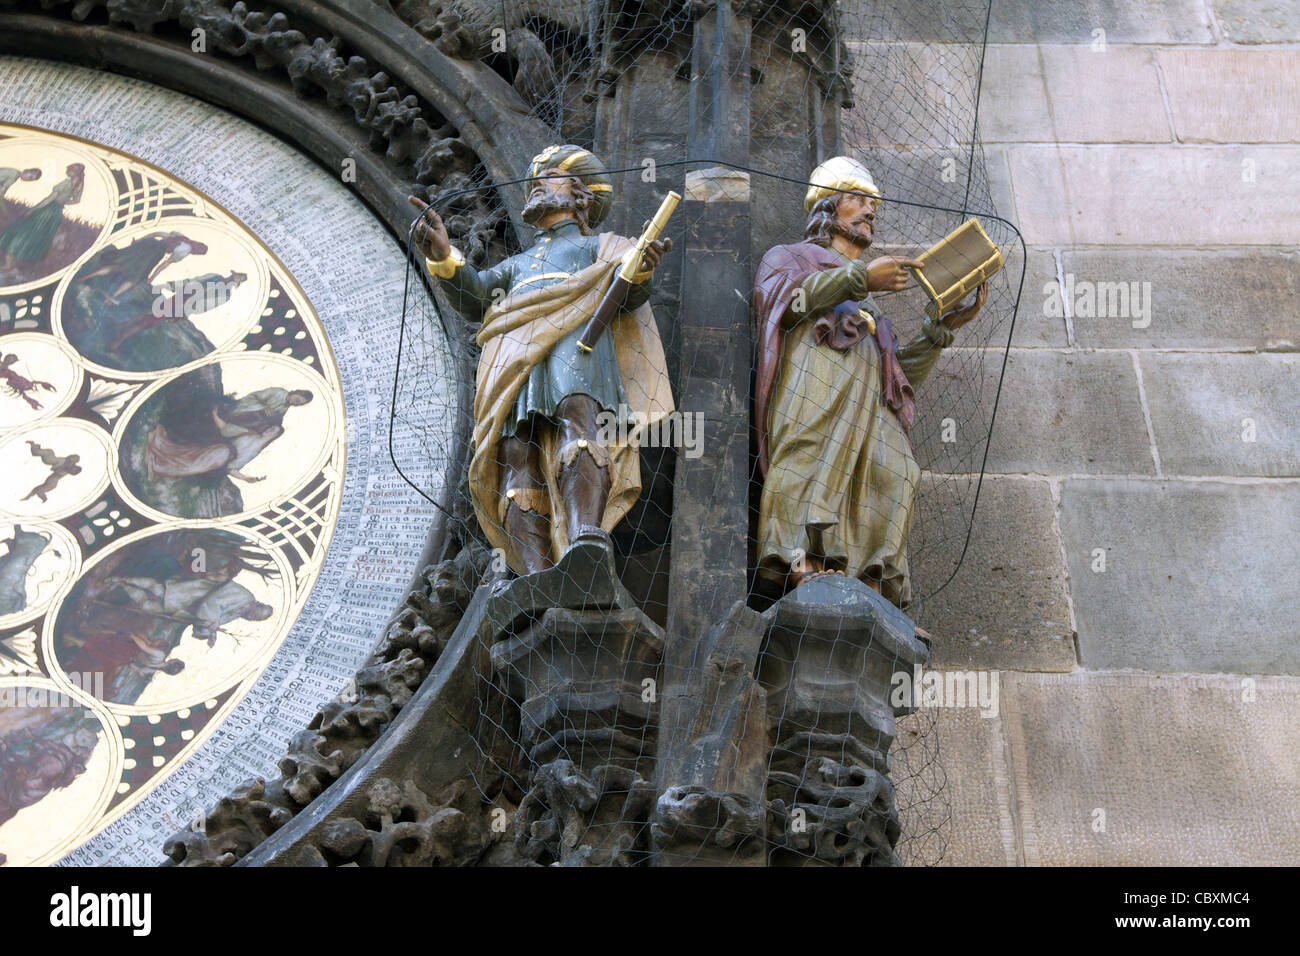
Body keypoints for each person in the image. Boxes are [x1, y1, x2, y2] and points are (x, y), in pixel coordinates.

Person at [410, 144, 674, 574]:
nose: (535, 184)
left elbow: (628, 286)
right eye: (535, 178)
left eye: (549, 176)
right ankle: (533, 570)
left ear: (581, 195)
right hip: (513, 352)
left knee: (579, 416)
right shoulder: (518, 264)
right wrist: (442, 254)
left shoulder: (600, 247)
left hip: (577, 339)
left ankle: (584, 537)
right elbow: (476, 297)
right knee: (517, 450)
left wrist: (641, 266)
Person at [752, 156, 987, 607]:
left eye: (873, 203)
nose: (870, 210)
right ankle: (806, 570)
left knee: (897, 473)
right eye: (857, 199)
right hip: (815, 389)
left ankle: (873, 587)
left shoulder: (869, 306)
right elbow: (785, 300)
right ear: (825, 207)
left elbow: (897, 378)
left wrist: (939, 328)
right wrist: (863, 277)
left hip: (872, 408)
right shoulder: (789, 257)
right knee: (810, 457)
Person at [0, 163, 83, 268]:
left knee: (20, 232)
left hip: (45, 211)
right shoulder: (79, 184)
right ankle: (11, 264)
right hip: (56, 213)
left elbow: (48, 200)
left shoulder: (66, 183)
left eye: (69, 169)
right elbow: (76, 200)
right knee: (36, 236)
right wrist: (61, 202)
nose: (67, 169)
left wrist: (33, 209)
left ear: (72, 171)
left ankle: (8, 265)